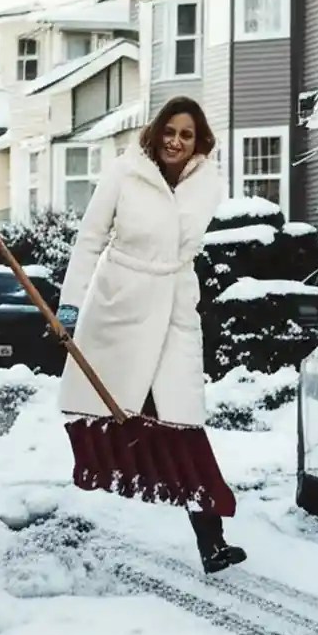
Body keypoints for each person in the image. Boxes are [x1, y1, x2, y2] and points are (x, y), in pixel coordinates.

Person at [55, 96, 245, 574]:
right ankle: (106, 471)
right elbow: (91, 237)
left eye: (186, 134)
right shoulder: (125, 172)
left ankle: (212, 541)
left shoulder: (208, 184)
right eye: (170, 131)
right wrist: (71, 303)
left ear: (198, 142)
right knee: (112, 409)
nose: (175, 141)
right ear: (156, 131)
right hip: (120, 303)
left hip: (176, 308)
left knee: (184, 424)